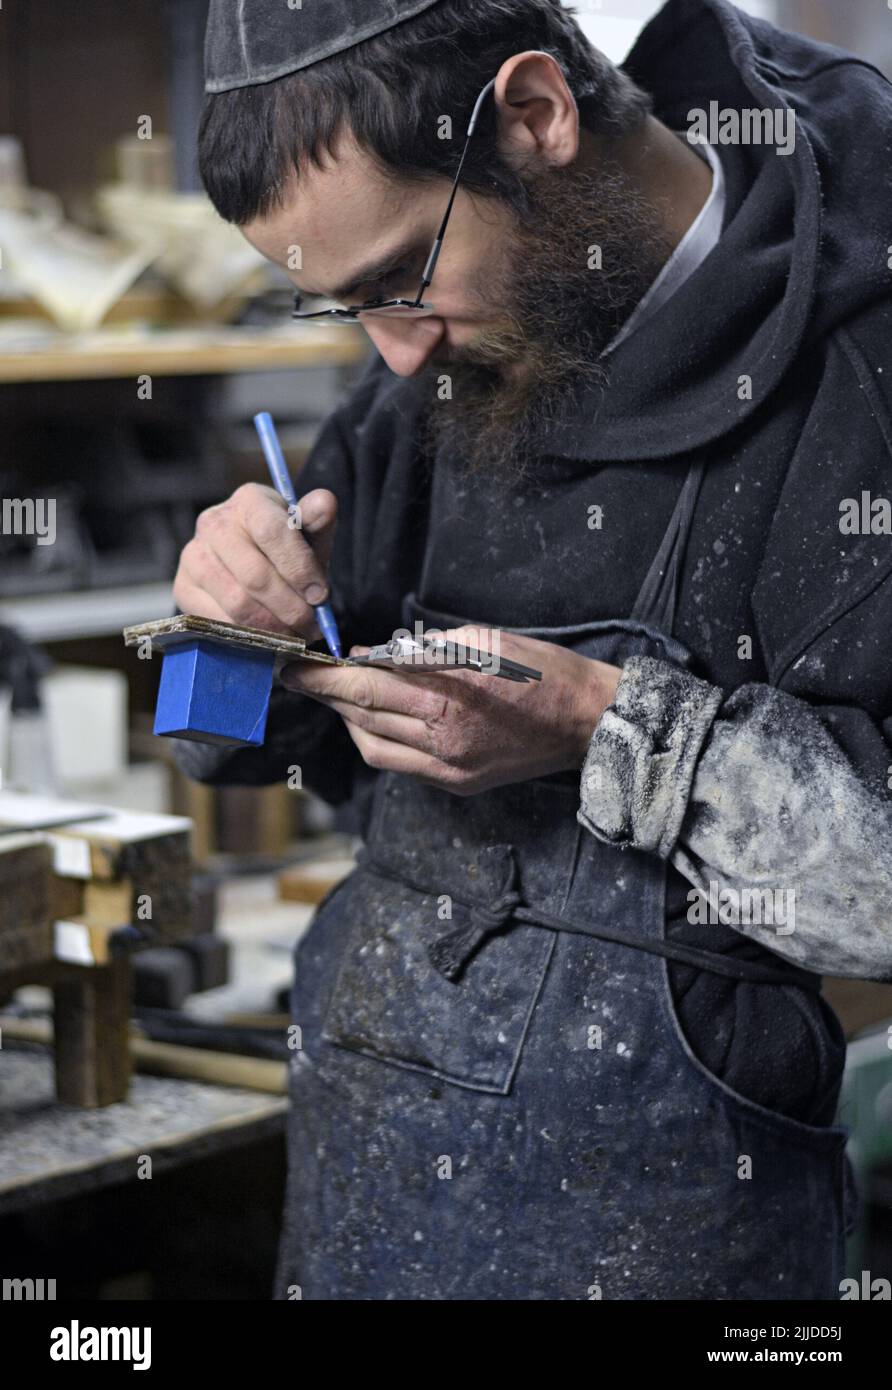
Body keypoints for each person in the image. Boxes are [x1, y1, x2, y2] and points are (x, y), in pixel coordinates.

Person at [173, 0, 892, 1299]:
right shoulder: (432, 377)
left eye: (398, 279)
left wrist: (604, 727)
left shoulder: (856, 382)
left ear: (536, 116)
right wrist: (226, 624)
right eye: (344, 308)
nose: (393, 355)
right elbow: (218, 743)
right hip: (359, 1210)